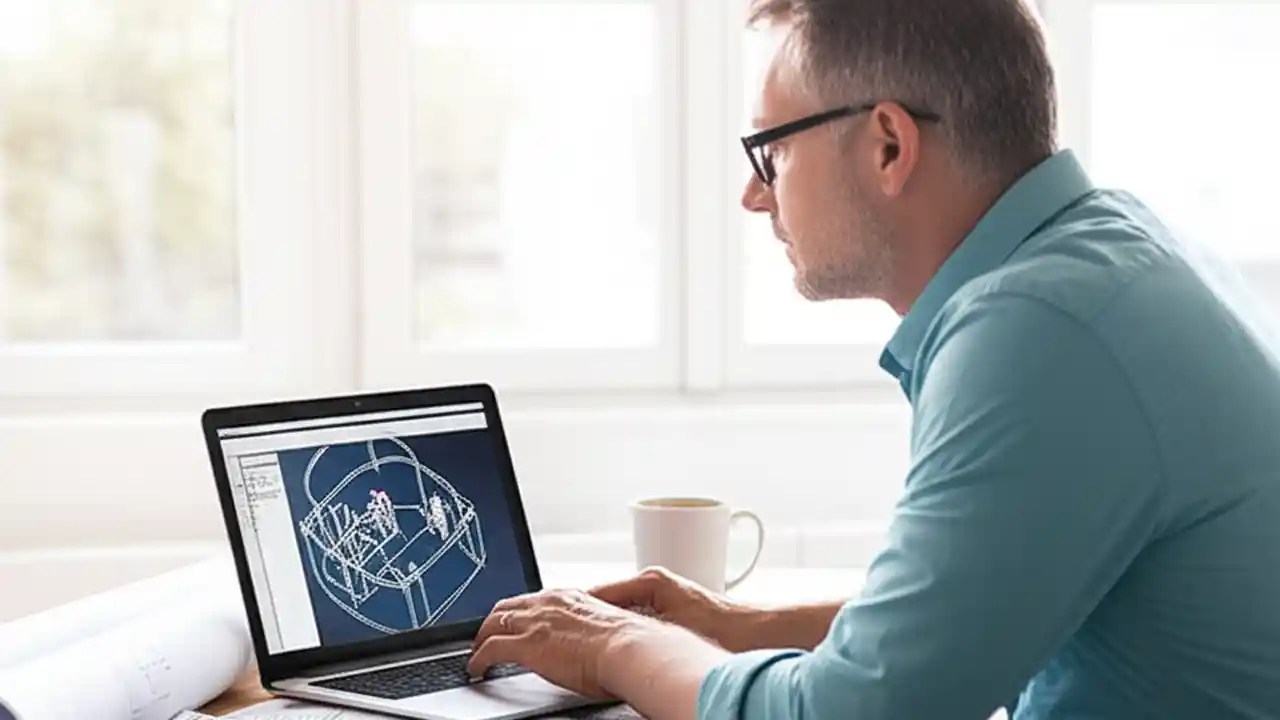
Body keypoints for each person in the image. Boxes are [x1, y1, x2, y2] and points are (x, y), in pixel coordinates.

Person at [467, 0, 1280, 717]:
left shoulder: (1037, 328)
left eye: (771, 151)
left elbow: (853, 713)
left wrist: (610, 647)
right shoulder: (1111, 257)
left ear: (889, 144)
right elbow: (970, 624)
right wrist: (733, 626)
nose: (755, 195)